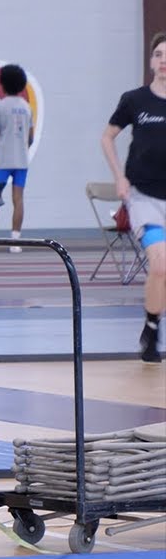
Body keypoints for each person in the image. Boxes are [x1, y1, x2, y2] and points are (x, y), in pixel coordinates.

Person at [101, 31, 166, 363]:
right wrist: (120, 177)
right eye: (158, 54)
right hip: (144, 197)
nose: (163, 60)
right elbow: (107, 137)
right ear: (151, 61)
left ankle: (152, 318)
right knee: (160, 264)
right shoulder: (135, 100)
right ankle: (152, 329)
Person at [0, 64, 35, 254]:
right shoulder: (26, 107)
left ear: (2, 84)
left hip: (2, 161)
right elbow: (30, 138)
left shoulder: (0, 107)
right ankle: (15, 242)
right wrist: (22, 149)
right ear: (21, 84)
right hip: (21, 161)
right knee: (18, 199)